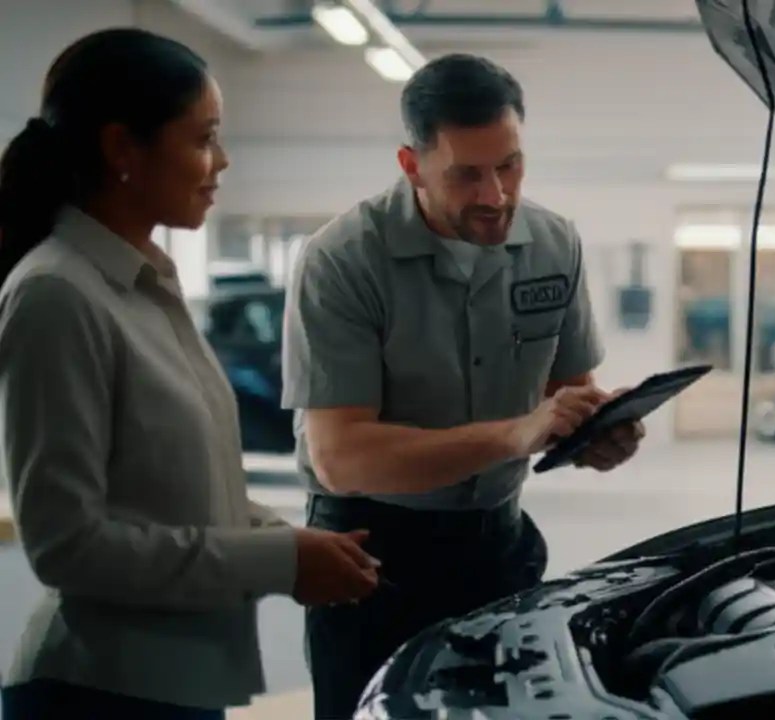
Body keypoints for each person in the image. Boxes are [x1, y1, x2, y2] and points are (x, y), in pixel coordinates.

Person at [0, 28, 382, 720]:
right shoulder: (57, 293)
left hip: (177, 688)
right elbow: (69, 546)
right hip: (98, 695)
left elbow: (182, 498)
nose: (222, 161)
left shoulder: (145, 282)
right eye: (203, 138)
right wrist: (279, 563)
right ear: (122, 149)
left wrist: (286, 540)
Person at [283, 52, 645, 718]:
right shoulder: (342, 260)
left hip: (498, 551)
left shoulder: (553, 244)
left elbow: (569, 394)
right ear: (411, 164)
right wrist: (517, 432)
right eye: (466, 175)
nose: (495, 194)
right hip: (370, 561)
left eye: (509, 165)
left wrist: (596, 434)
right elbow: (342, 457)